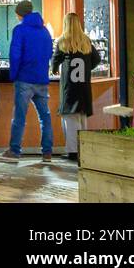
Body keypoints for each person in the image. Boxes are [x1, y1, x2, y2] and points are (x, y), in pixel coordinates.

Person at [0, 0, 54, 162]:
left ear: (18, 13)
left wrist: (13, 75)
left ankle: (15, 150)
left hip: (24, 79)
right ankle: (47, 152)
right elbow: (49, 53)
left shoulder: (20, 30)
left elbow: (15, 55)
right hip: (42, 79)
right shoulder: (44, 31)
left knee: (20, 117)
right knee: (45, 117)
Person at [52, 12, 101, 160]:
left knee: (69, 119)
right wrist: (87, 68)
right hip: (84, 87)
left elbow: (54, 62)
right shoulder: (86, 41)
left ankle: (73, 151)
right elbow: (97, 59)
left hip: (70, 88)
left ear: (66, 24)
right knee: (82, 119)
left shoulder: (63, 42)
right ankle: (83, 149)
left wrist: (55, 69)